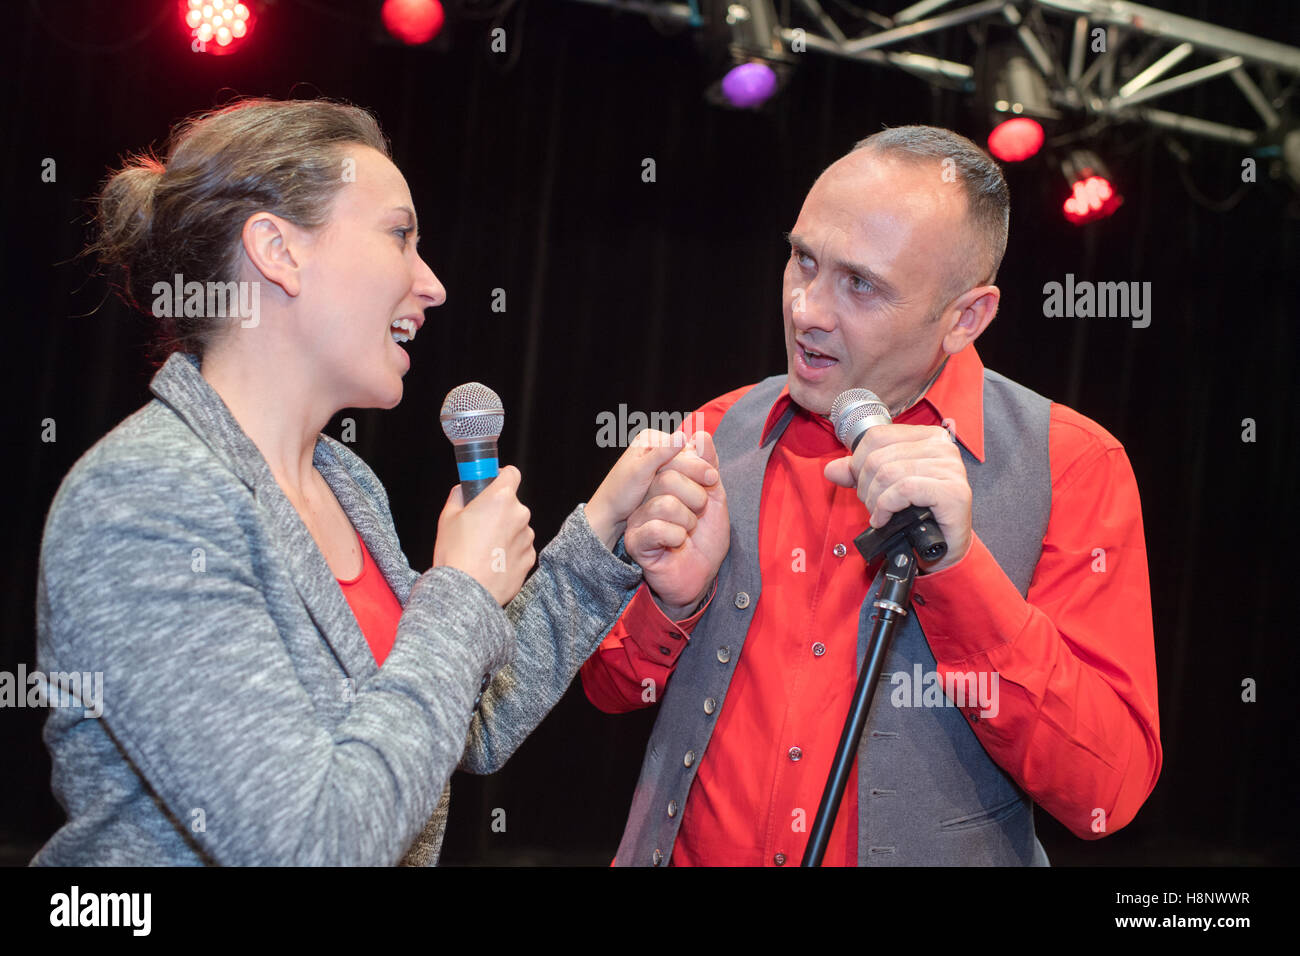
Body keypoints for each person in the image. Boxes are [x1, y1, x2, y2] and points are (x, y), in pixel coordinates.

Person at [31, 97, 714, 866]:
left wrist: (605, 528)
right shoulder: (146, 497)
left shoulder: (345, 481)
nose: (433, 284)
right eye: (399, 236)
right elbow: (310, 844)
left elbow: (462, 722)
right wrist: (458, 588)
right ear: (277, 251)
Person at [582, 125, 1162, 866]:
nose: (807, 309)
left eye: (861, 284)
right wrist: (670, 608)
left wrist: (960, 577)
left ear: (966, 318)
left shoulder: (1073, 466)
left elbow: (1105, 792)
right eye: (803, 261)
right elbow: (611, 688)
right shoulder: (719, 431)